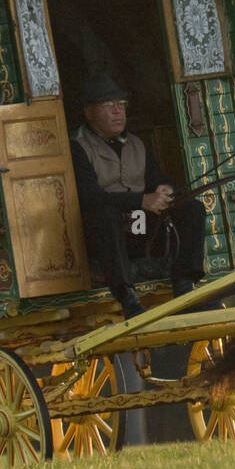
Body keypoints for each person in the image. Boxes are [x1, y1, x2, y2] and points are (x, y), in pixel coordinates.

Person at [71, 72, 208, 317]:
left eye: (121, 105)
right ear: (89, 112)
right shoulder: (78, 146)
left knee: (192, 208)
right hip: (105, 238)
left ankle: (185, 283)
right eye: (108, 105)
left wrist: (165, 189)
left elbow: (157, 179)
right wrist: (141, 200)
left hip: (141, 229)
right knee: (103, 215)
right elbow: (89, 197)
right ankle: (127, 297)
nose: (118, 111)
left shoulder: (137, 143)